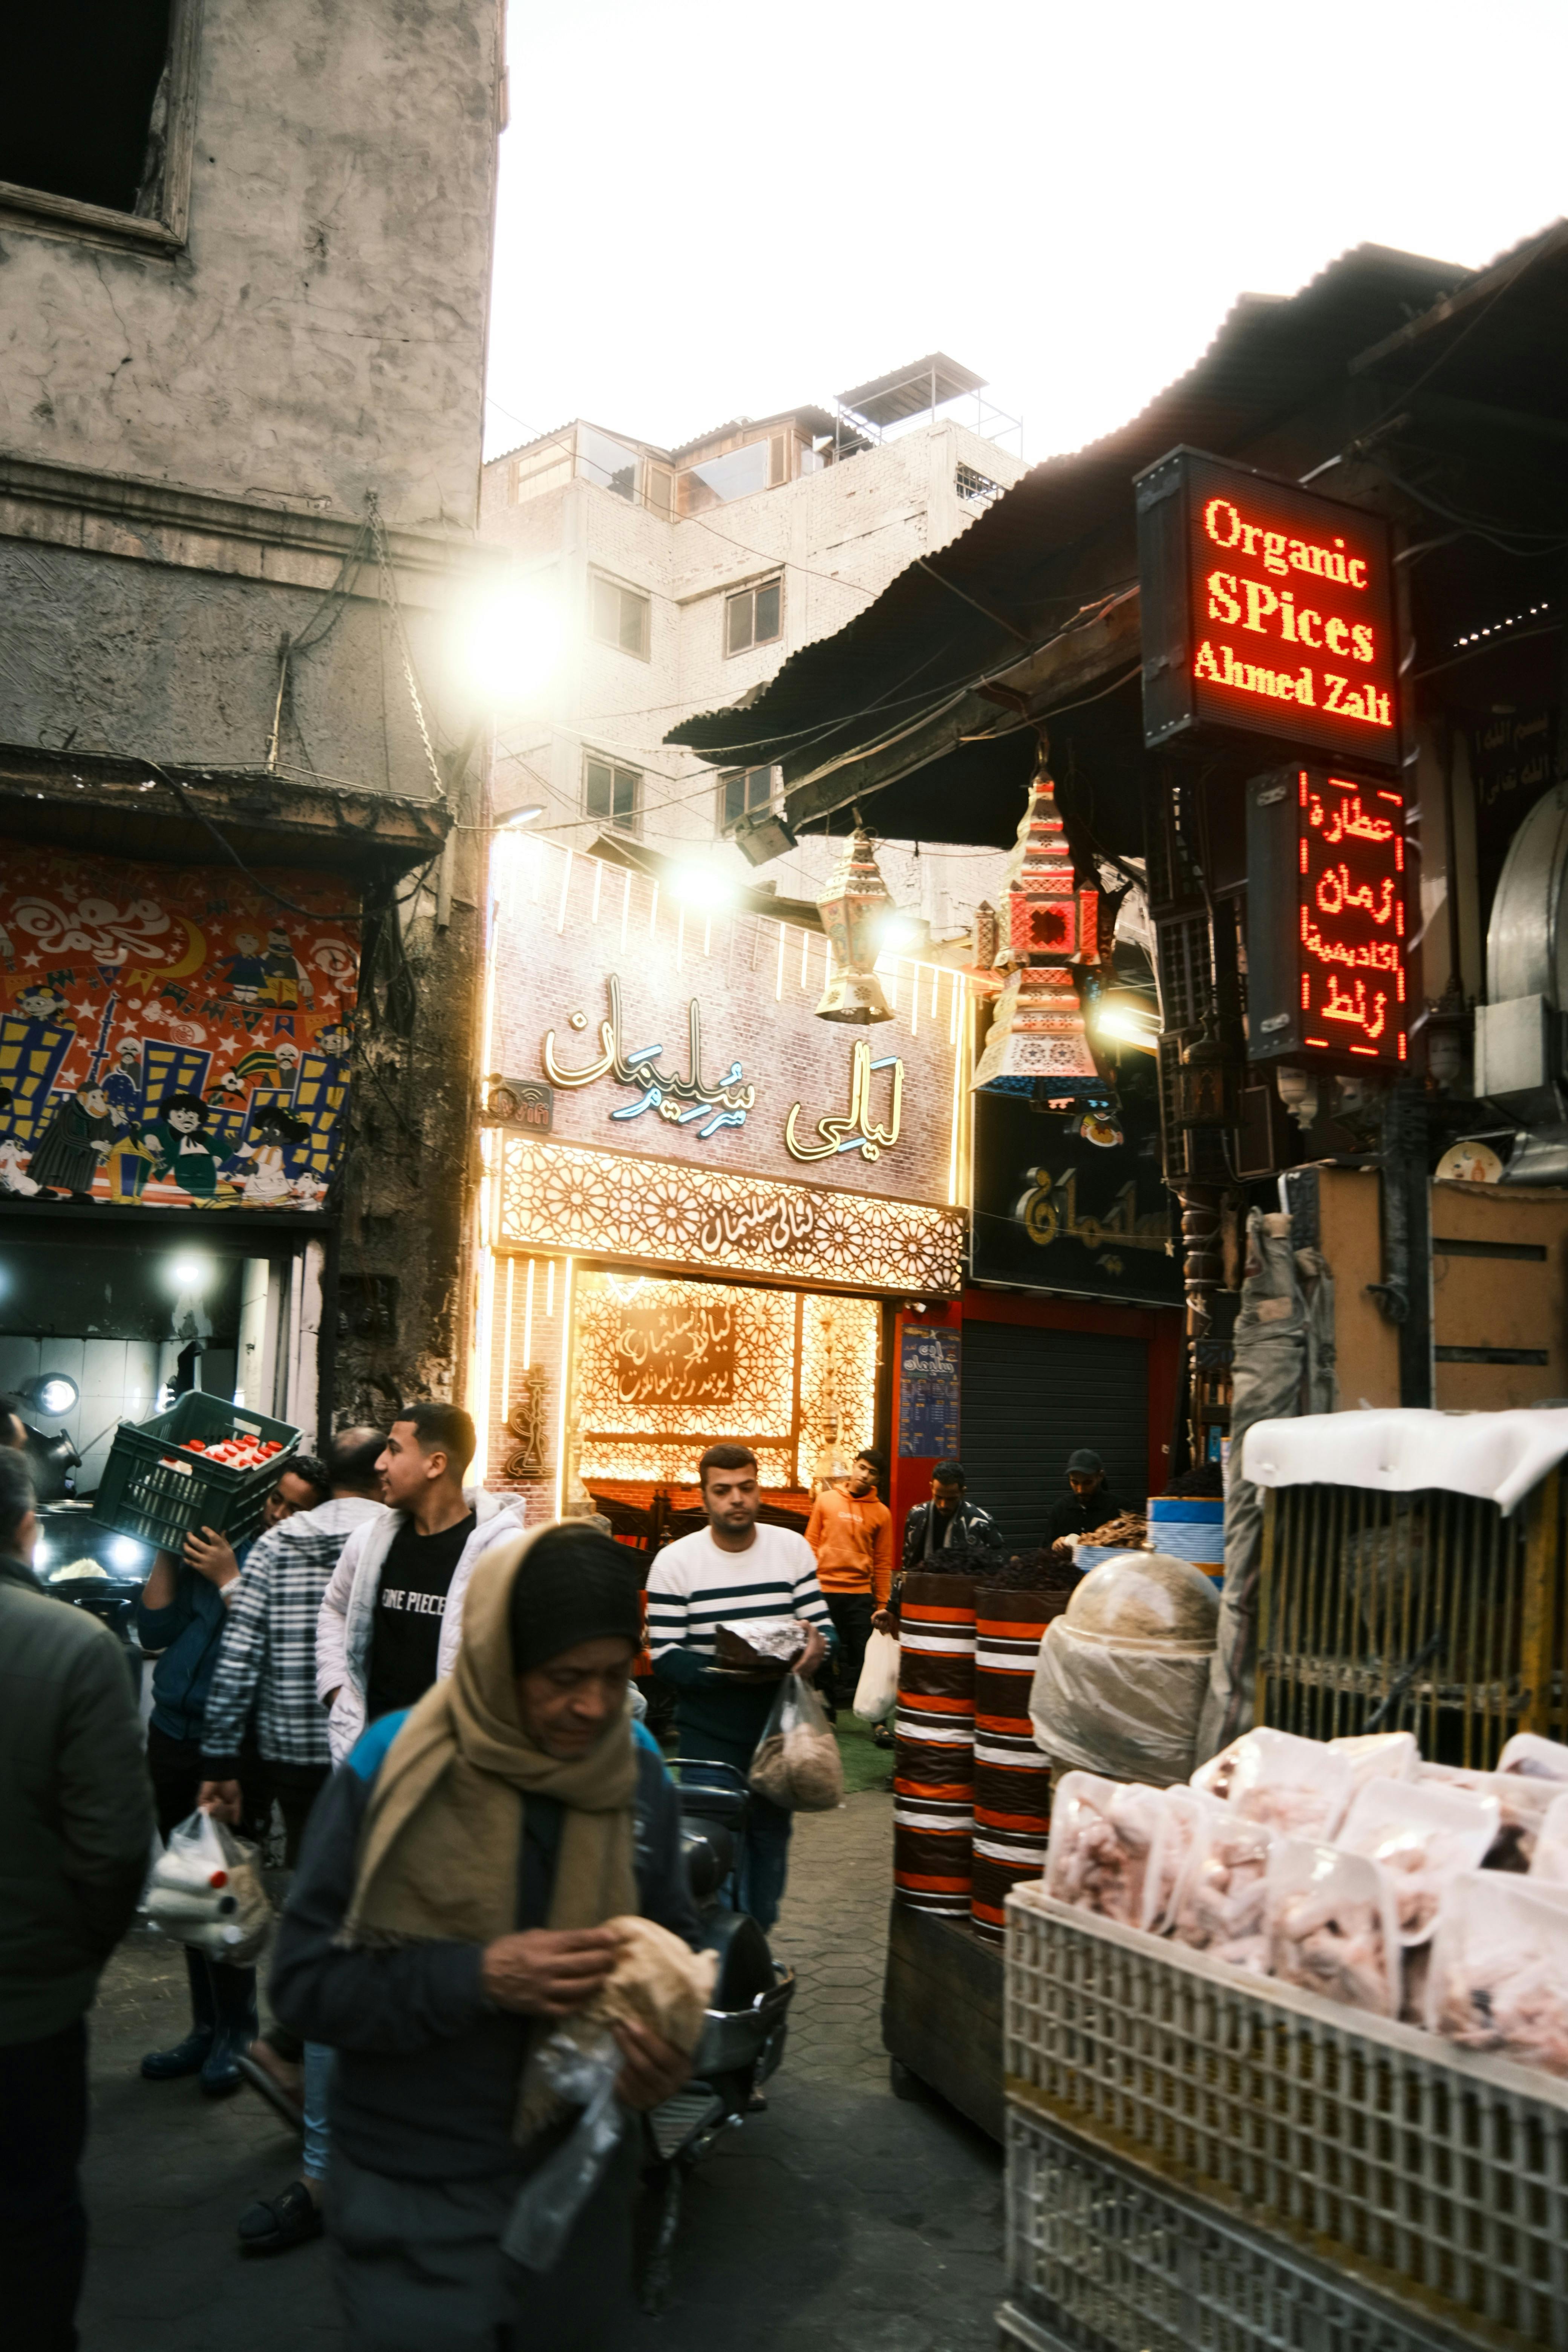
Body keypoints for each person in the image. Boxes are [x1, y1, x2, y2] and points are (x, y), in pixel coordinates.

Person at [270, 1523, 699, 2352]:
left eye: (616, 1677)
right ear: (503, 1659)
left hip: (577, 2194)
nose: (594, 1707)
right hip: (413, 2192)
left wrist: (667, 2050)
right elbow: (305, 1983)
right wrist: (478, 1976)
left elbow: (672, 1937)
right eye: (565, 1678)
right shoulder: (393, 1766)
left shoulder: (634, 1770)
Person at [197, 1427, 389, 2256]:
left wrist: (219, 1757)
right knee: (356, 1925)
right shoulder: (393, 1540)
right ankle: (303, 2057)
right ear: (380, 1477)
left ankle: (292, 2046)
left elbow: (238, 1654)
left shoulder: (276, 1543)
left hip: (290, 1755)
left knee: (317, 1911)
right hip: (372, 1753)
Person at [0, 1448, 154, 2352]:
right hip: (28, 2013)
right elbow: (114, 1855)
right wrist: (71, 1964)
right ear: (28, 1527)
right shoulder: (76, 1647)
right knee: (28, 2214)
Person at [135, 1452, 330, 2095]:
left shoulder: (299, 1564)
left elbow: (272, 1644)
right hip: (172, 1730)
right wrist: (170, 1547)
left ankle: (238, 2030)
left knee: (227, 1886)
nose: (279, 1513)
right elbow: (156, 1627)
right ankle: (203, 2029)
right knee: (191, 1882)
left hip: (235, 1748)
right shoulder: (229, 1543)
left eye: (296, 1506)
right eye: (276, 1499)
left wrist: (229, 1577)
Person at [646, 1443, 831, 1934]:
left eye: (746, 1488)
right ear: (703, 1496)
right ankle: (720, 1959)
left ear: (759, 1487)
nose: (736, 1500)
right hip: (709, 1741)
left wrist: (817, 1649)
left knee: (770, 1845)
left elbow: (823, 1631)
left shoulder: (791, 1549)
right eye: (722, 1490)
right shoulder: (674, 1563)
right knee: (713, 1851)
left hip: (778, 1739)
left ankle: (753, 1948)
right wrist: (731, 1668)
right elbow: (665, 1656)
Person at [315, 1402, 527, 1764]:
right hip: (372, 1758)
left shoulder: (504, 1554)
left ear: (436, 1464)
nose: (380, 1463)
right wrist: (339, 1690)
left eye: (394, 1450)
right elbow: (335, 1608)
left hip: (455, 1773)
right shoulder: (369, 1541)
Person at [805, 1448, 893, 1739]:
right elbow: (811, 1545)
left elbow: (882, 1562)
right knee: (824, 1658)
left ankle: (878, 1722)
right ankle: (828, 1718)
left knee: (868, 1658)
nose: (864, 1475)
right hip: (823, 1592)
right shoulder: (826, 1500)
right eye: (862, 1468)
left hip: (859, 1596)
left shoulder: (882, 1513)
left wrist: (884, 1605)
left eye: (872, 1473)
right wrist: (805, 1592)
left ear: (877, 1479)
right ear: (854, 1467)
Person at [875, 1459, 1003, 1635]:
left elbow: (997, 1573)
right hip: (923, 1606)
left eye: (951, 1499)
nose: (944, 1505)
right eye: (939, 1497)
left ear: (963, 1492)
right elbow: (908, 1567)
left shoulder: (981, 1522)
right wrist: (892, 1607)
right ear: (931, 1488)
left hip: (963, 1612)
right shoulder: (916, 1516)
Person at [1047, 1447, 1126, 1556]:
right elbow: (1045, 1547)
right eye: (1075, 1483)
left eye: (1088, 1483)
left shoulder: (1120, 1507)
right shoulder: (1061, 1508)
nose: (1081, 1490)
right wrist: (1055, 1545)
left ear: (1100, 1476)